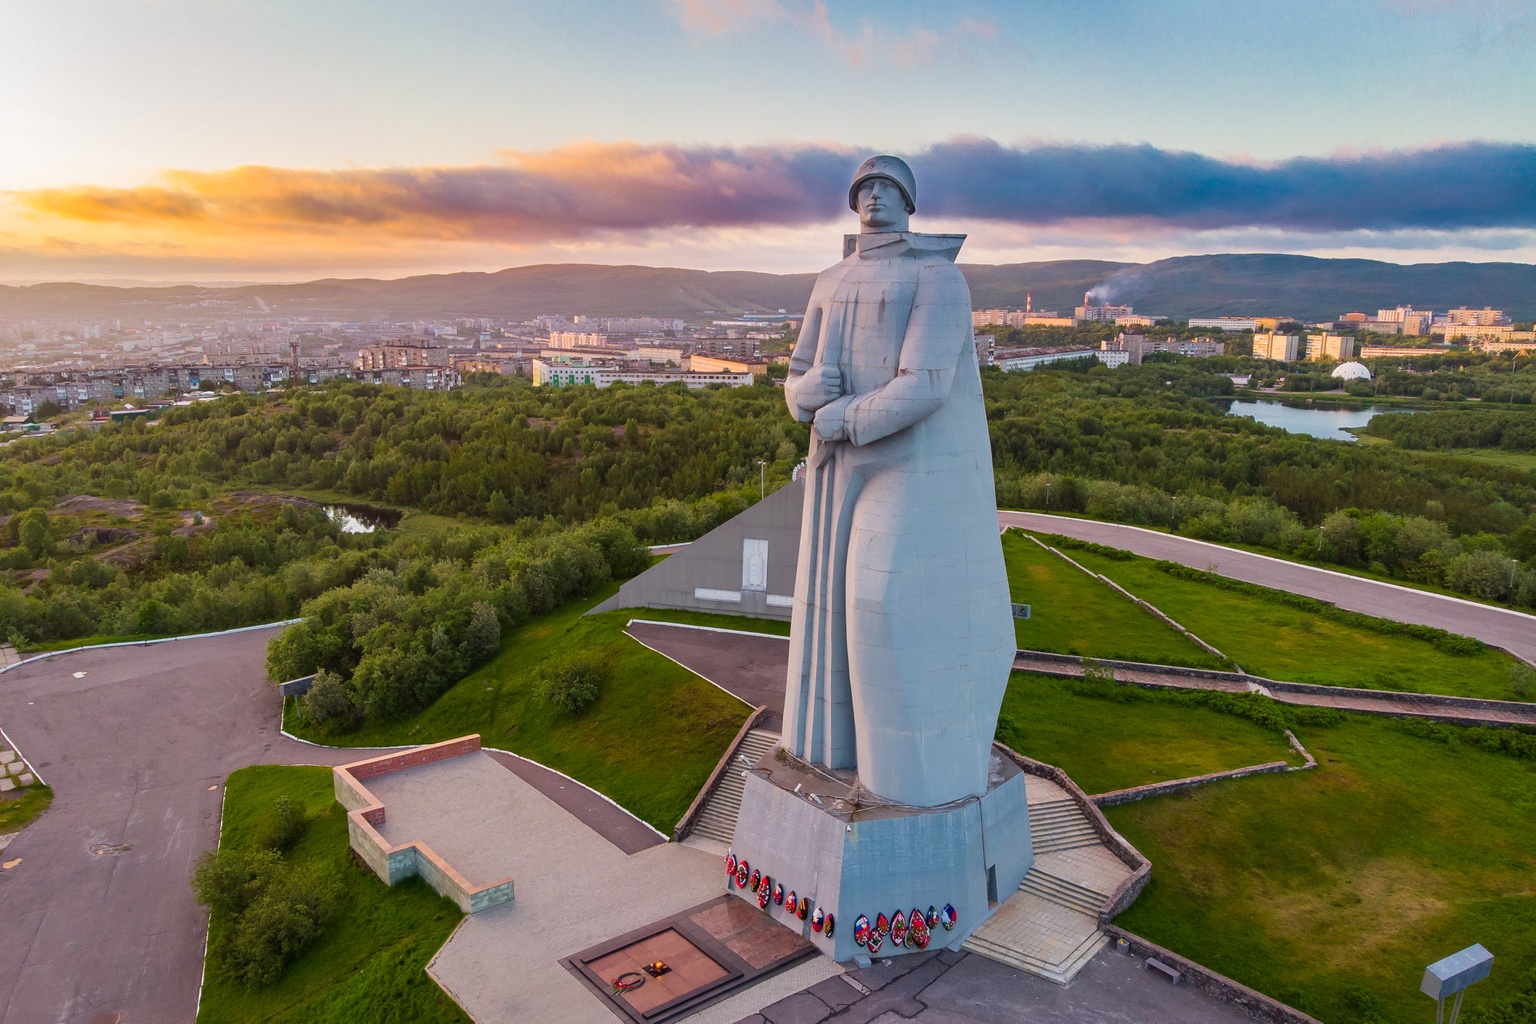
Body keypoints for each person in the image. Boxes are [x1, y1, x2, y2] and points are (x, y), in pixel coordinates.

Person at [781, 155, 1014, 808]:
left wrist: (841, 418)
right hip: (837, 461)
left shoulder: (938, 277)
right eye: (864, 188)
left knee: (879, 601)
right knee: (825, 605)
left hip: (905, 459)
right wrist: (803, 394)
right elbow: (795, 372)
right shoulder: (830, 279)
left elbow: (928, 384)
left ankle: (909, 779)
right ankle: (831, 756)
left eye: (887, 188)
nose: (874, 198)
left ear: (909, 202)